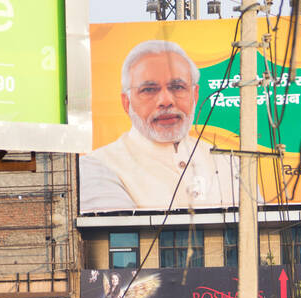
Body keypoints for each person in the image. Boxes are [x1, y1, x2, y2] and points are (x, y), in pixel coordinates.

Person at [80, 39, 239, 214]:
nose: (166, 101)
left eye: (177, 87)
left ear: (195, 95)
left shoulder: (229, 163)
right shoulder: (99, 166)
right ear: (126, 102)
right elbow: (123, 237)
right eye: (149, 90)